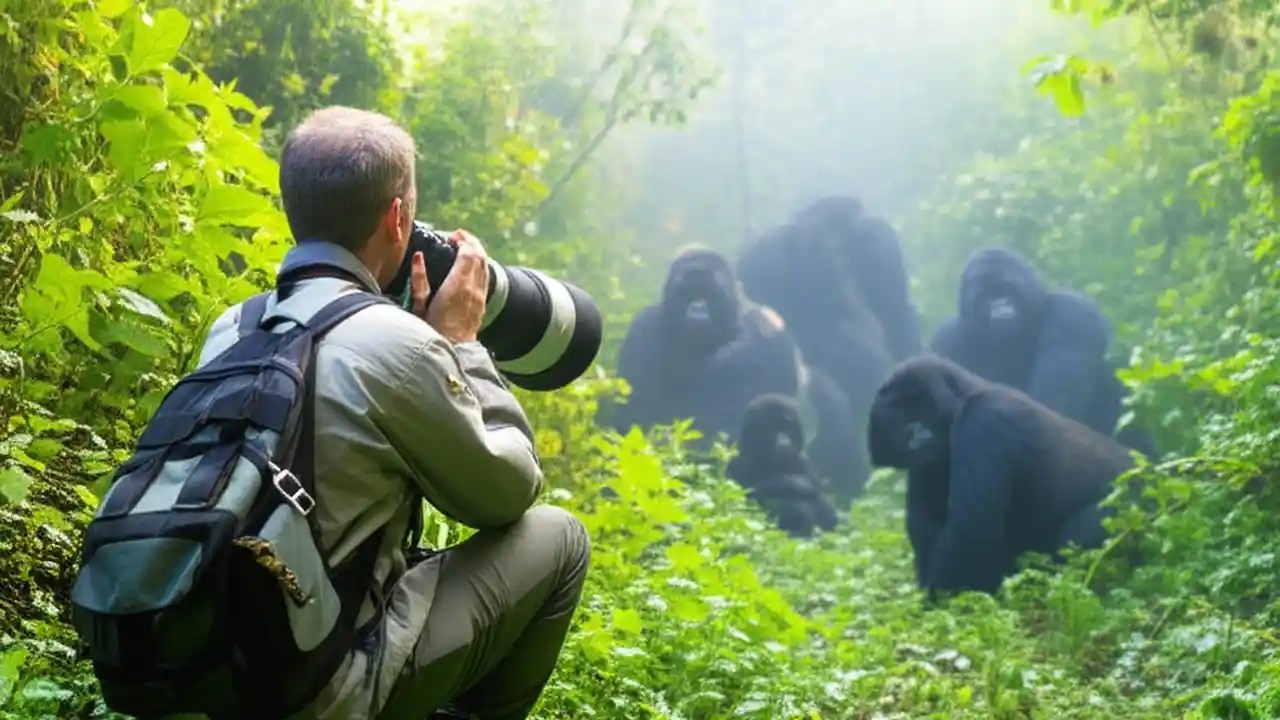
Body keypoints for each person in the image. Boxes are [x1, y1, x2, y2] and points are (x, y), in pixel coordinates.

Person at [195, 106, 592, 720]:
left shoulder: (232, 327)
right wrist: (461, 345)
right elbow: (506, 491)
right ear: (399, 216)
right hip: (315, 692)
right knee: (561, 537)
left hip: (205, 666)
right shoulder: (396, 344)